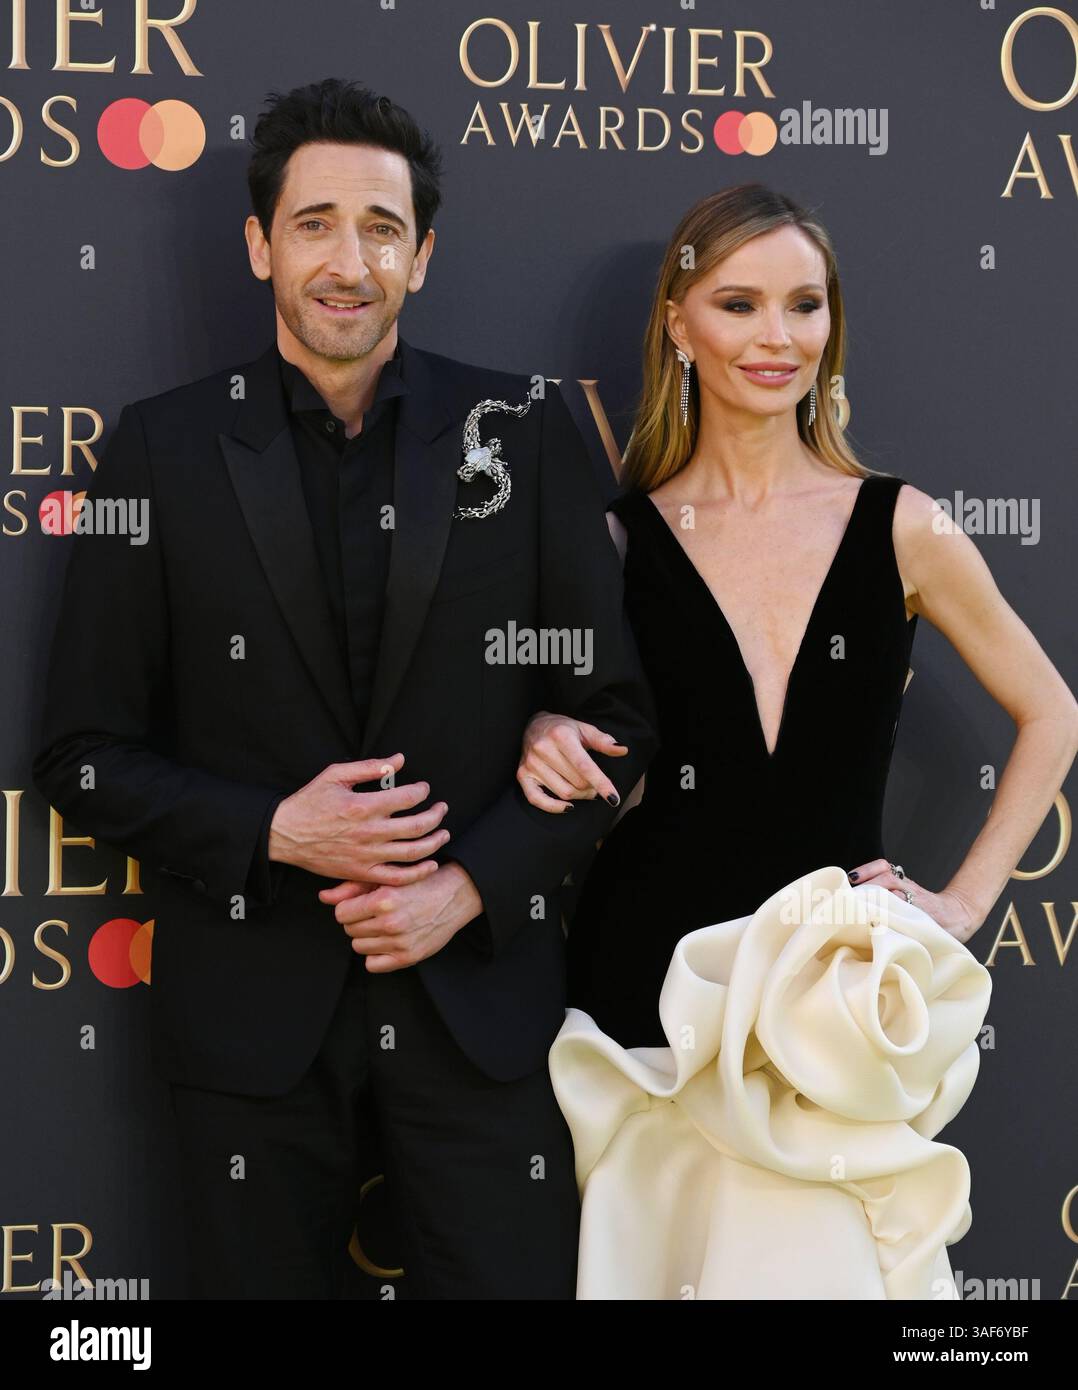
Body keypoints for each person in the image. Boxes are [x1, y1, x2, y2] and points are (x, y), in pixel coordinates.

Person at [31, 78, 658, 1300]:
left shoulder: (520, 433)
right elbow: (80, 755)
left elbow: (616, 726)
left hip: (479, 1016)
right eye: (315, 223)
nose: (348, 260)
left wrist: (469, 886)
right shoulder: (157, 450)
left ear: (421, 256)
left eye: (381, 228)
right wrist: (275, 829)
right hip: (249, 1025)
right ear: (260, 243)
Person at [515, 183, 1078, 1298]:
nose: (778, 338)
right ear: (678, 324)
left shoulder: (902, 523)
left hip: (831, 1016)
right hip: (655, 1003)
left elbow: (1052, 711)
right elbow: (567, 728)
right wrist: (540, 727)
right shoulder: (618, 542)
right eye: (738, 303)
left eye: (804, 305)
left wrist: (960, 908)